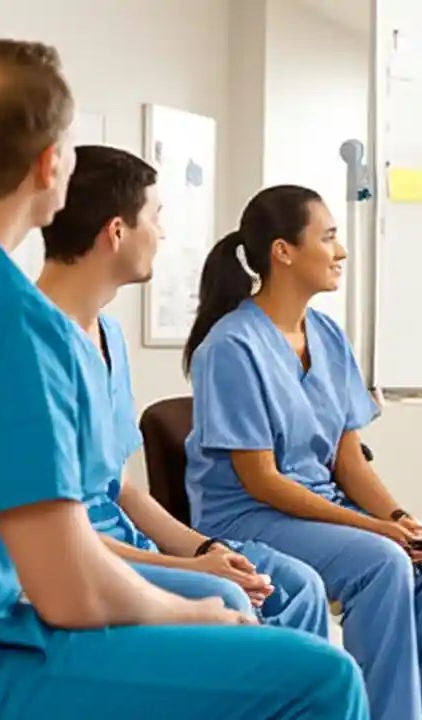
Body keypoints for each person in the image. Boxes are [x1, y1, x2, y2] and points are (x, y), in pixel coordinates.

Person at [0, 40, 366, 720]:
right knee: (322, 678)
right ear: (50, 164)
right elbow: (68, 591)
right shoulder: (7, 317)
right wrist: (190, 611)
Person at [180, 185, 422, 720]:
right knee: (383, 562)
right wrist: (374, 531)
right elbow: (263, 482)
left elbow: (348, 459)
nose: (340, 252)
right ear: (283, 251)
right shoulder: (230, 347)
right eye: (330, 237)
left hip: (320, 507)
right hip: (251, 516)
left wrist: (398, 518)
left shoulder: (326, 333)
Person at [37, 143, 329, 637]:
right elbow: (56, 534)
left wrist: (204, 549)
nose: (163, 232)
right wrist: (191, 573)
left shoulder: (108, 337)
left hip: (134, 548)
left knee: (296, 584)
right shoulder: (36, 347)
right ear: (117, 231)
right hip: (86, 565)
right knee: (231, 595)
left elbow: (122, 489)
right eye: (156, 216)